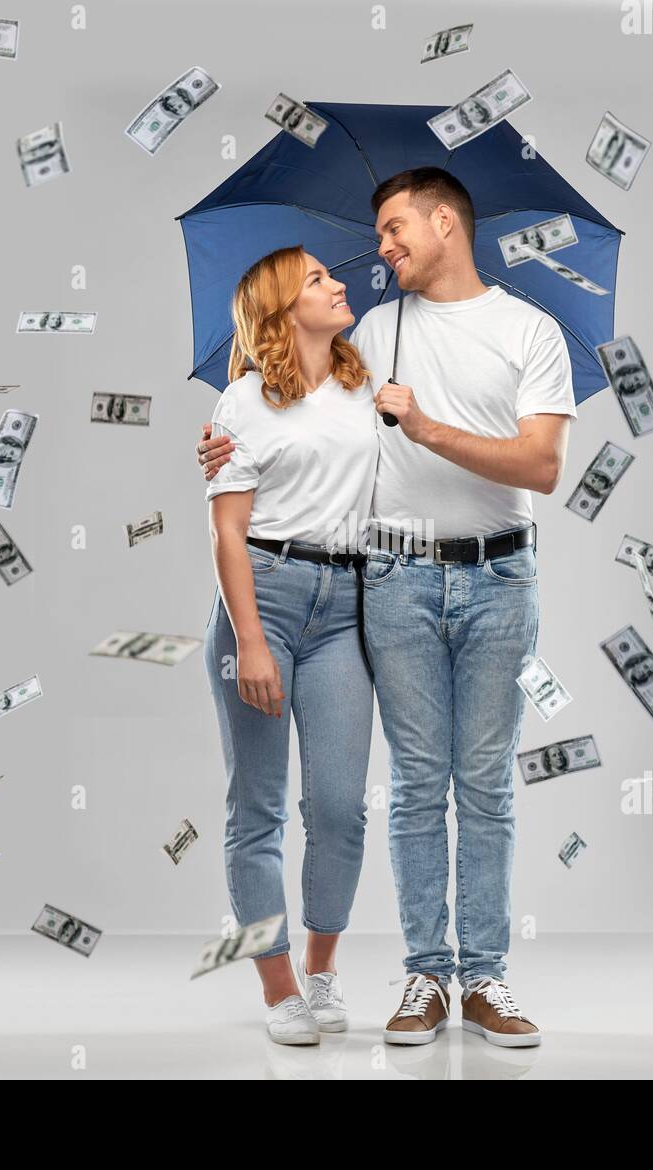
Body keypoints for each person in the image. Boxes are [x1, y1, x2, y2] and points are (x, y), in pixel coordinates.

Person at [199, 168, 575, 1048]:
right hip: (388, 580)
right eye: (372, 235)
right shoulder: (376, 329)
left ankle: (482, 978)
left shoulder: (528, 330)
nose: (377, 249)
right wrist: (221, 442)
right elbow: (274, 430)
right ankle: (415, 977)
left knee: (470, 788)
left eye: (396, 227)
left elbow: (542, 469)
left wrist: (425, 422)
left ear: (447, 221)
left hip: (493, 578)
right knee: (404, 789)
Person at [203, 245, 377, 1046]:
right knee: (258, 809)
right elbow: (228, 535)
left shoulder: (364, 384)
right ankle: (278, 989)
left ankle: (324, 972)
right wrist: (250, 642)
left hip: (346, 605)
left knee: (339, 808)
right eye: (318, 280)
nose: (338, 284)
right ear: (279, 309)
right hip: (262, 599)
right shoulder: (240, 404)